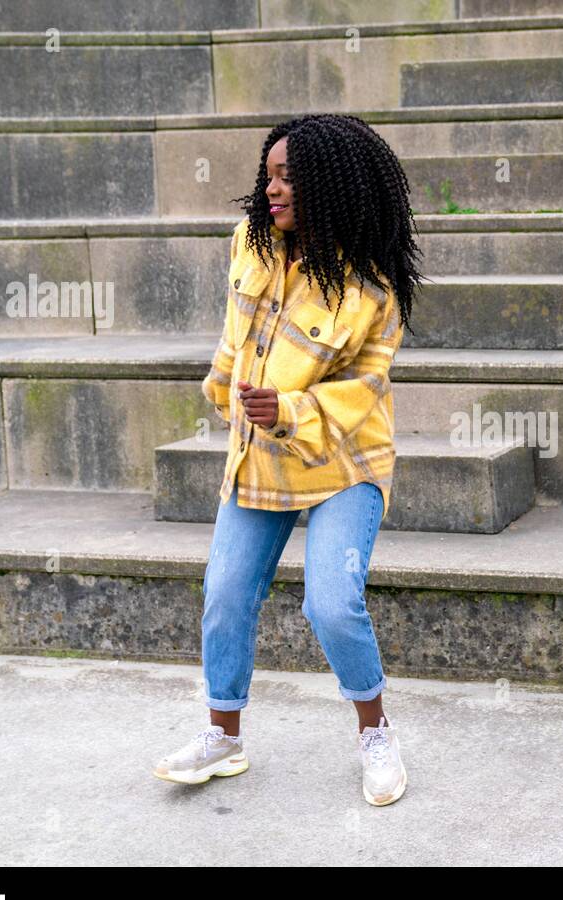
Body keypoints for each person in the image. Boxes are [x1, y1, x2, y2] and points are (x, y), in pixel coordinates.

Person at [153, 114, 427, 806]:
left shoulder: (372, 289)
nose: (271, 189)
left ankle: (375, 732)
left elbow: (363, 389)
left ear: (329, 187)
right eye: (269, 175)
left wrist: (288, 410)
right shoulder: (248, 241)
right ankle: (223, 736)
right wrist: (228, 391)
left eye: (288, 178)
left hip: (344, 460)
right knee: (225, 594)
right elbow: (235, 333)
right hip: (261, 455)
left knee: (331, 604)